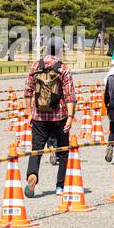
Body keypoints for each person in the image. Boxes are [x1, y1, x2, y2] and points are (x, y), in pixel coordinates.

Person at [23, 38, 76, 196]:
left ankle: (32, 176)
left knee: (36, 150)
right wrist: (70, 117)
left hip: (39, 115)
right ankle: (60, 186)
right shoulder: (63, 68)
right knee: (63, 150)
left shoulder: (35, 65)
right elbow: (70, 96)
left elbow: (27, 91)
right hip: (59, 116)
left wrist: (29, 113)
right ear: (60, 50)